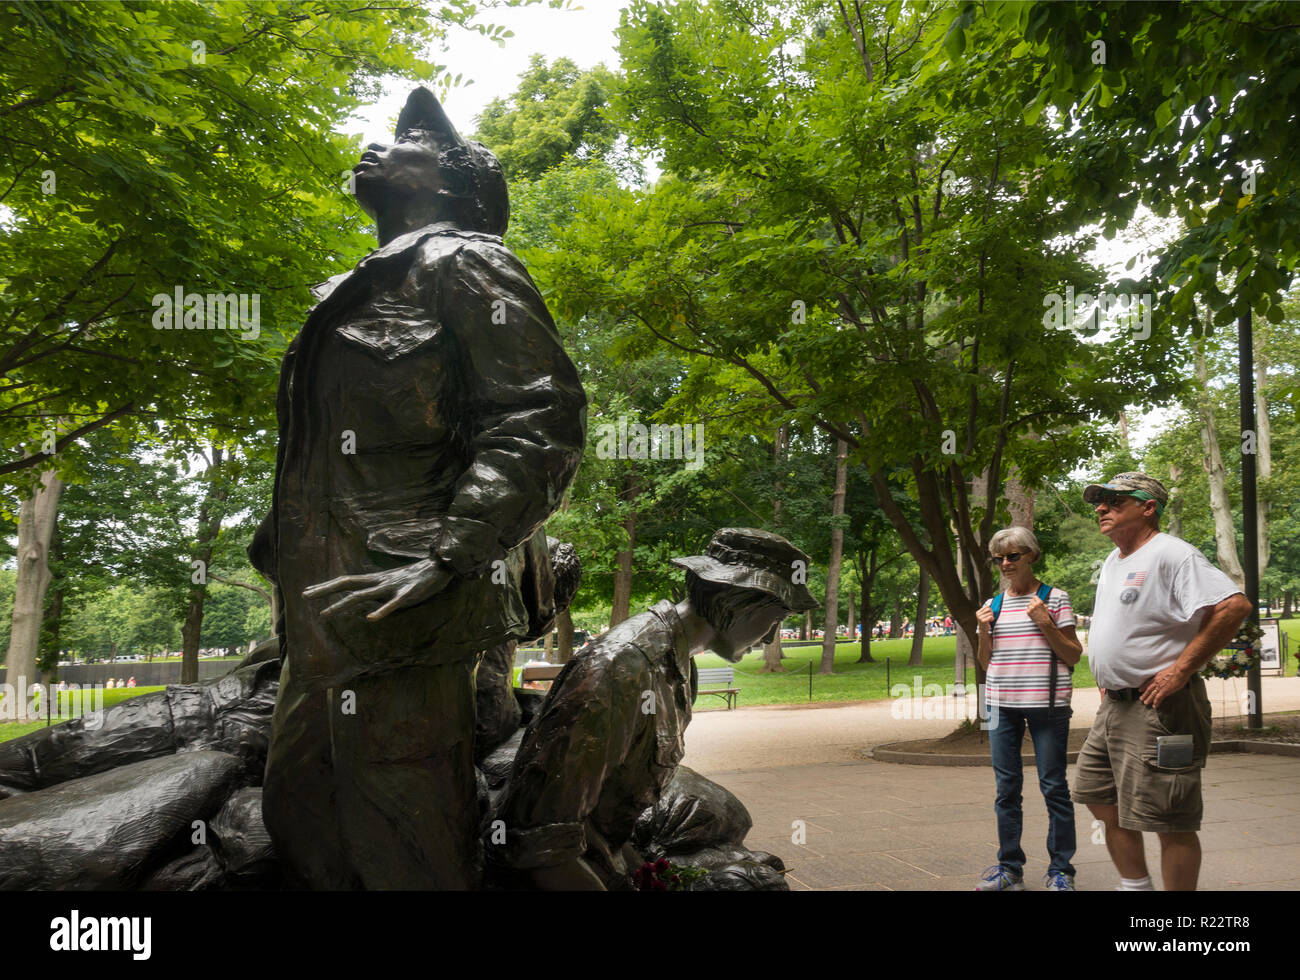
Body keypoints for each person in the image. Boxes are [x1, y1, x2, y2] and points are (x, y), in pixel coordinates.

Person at [248, 87, 586, 890]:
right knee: (299, 812)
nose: (379, 145)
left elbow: (540, 418)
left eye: (409, 142)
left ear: (451, 185)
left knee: (404, 832)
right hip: (320, 610)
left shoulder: (468, 264)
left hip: (404, 604)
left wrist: (448, 556)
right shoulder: (354, 289)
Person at [490, 528, 818, 890]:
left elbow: (606, 823)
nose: (771, 637)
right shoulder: (622, 670)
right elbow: (535, 842)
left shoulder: (675, 665)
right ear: (736, 602)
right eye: (773, 620)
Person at [1072, 472, 1250, 891]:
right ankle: (1136, 887)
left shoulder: (1173, 554)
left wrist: (1181, 669)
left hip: (1161, 710)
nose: (1101, 508)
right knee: (1099, 796)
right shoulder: (1115, 561)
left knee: (1171, 818)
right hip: (1115, 706)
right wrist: (1109, 677)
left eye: (1115, 501)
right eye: (1099, 501)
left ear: (1148, 507)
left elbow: (1233, 606)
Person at [974, 527, 1082, 892]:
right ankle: (1009, 868)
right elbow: (986, 664)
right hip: (1000, 706)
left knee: (1054, 787)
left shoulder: (1056, 599)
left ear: (1032, 556)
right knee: (1006, 790)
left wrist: (1045, 622)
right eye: (999, 558)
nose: (1005, 563)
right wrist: (982, 631)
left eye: (1013, 555)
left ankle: (1061, 870)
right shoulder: (993, 605)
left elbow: (1072, 655)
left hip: (1048, 705)